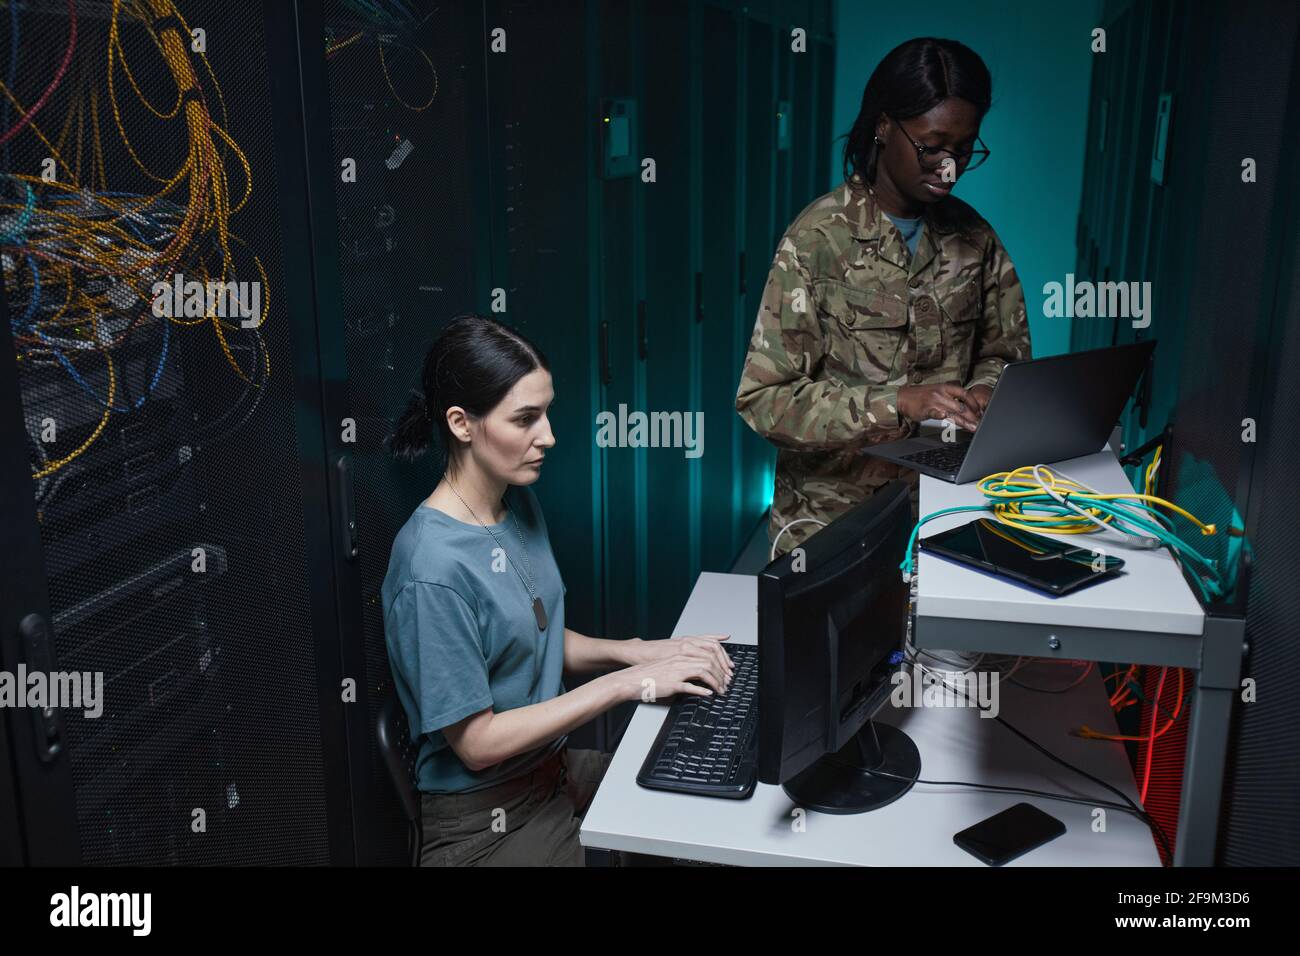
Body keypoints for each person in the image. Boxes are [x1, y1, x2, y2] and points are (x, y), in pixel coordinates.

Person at [382, 314, 733, 866]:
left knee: (704, 799)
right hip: (484, 822)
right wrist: (626, 683)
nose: (548, 435)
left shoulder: (514, 499)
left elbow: (532, 631)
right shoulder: (432, 567)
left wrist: (636, 650)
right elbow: (477, 744)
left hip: (555, 774)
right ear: (461, 423)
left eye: (546, 413)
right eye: (525, 419)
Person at [735, 37, 1032, 557]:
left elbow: (1004, 354)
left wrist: (984, 395)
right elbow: (766, 401)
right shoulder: (817, 239)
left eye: (964, 150)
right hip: (832, 526)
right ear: (883, 125)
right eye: (932, 145)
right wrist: (895, 404)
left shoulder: (974, 237)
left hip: (945, 511)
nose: (949, 168)